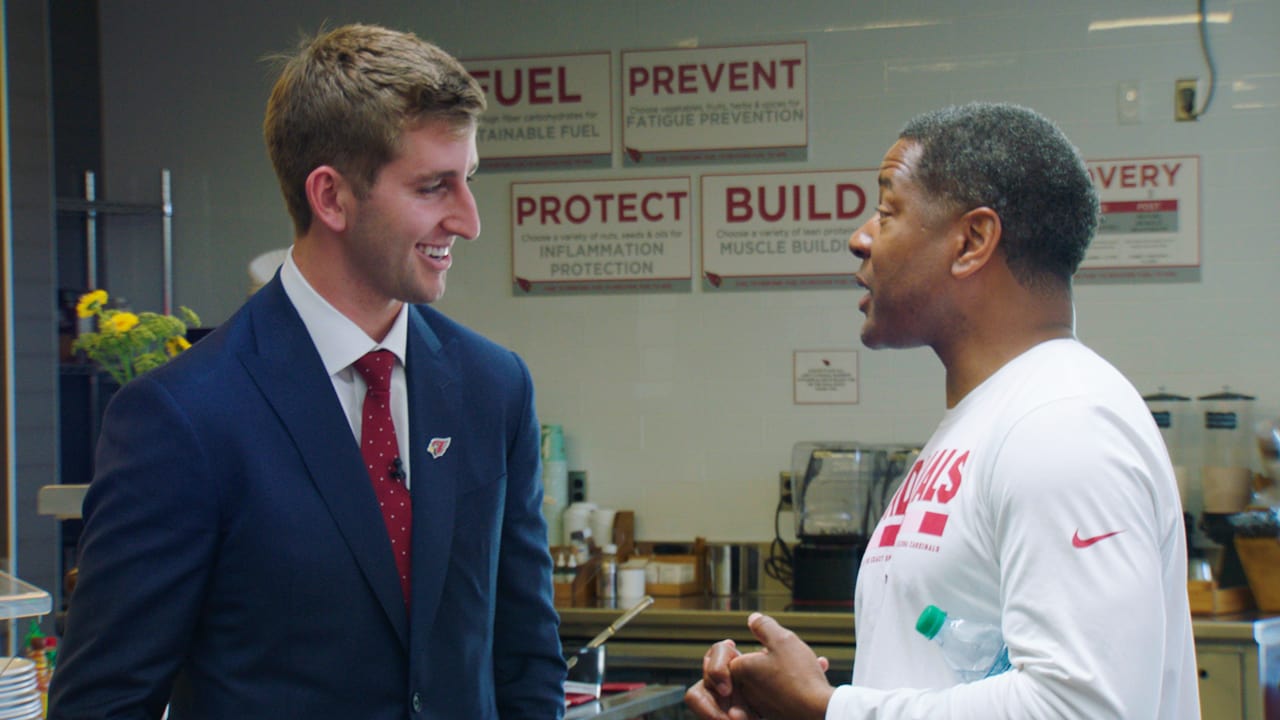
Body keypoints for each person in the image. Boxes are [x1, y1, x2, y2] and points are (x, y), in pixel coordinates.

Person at [48, 24, 566, 719]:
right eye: (433, 187)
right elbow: (103, 703)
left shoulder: (493, 387)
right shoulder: (183, 417)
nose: (469, 222)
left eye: (466, 181)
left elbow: (526, 662)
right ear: (331, 197)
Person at [685, 103, 1200, 719]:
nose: (860, 238)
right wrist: (799, 703)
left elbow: (1082, 707)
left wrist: (830, 711)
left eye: (887, 212)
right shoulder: (991, 419)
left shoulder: (1062, 423)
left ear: (972, 241)